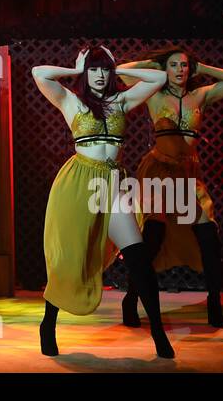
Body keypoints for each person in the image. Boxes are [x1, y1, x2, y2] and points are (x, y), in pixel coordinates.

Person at [32, 46, 174, 359]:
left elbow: (159, 77)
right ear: (85, 73)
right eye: (93, 70)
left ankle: (159, 333)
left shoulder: (121, 101)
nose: (99, 76)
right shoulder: (70, 100)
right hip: (79, 183)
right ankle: (48, 323)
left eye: (104, 70)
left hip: (112, 183)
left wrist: (118, 67)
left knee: (138, 258)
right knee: (69, 259)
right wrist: (77, 69)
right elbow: (38, 73)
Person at [117, 48, 223, 328]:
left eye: (185, 66)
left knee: (209, 236)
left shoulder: (199, 96)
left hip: (189, 175)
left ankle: (214, 302)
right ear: (165, 69)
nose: (180, 70)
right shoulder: (154, 94)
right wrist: (155, 65)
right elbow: (122, 70)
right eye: (173, 65)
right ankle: (131, 298)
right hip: (159, 172)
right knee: (153, 237)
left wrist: (203, 67)